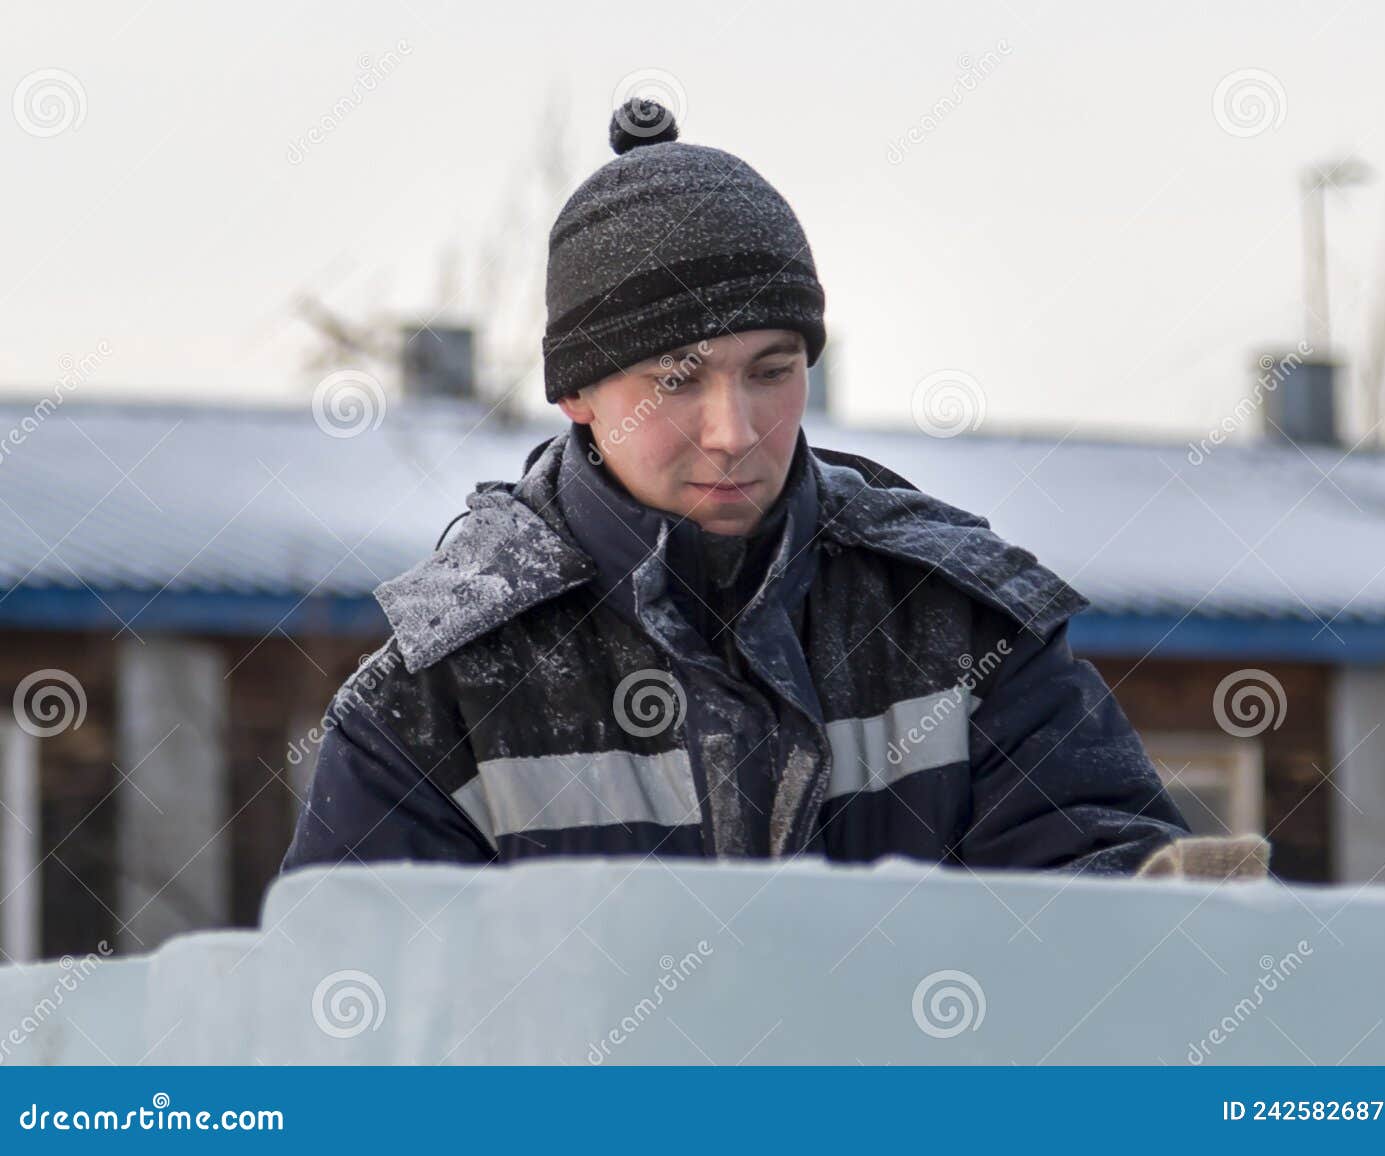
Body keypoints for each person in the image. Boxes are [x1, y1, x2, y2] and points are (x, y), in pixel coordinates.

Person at [281, 99, 1189, 877]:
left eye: (771, 369)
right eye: (676, 380)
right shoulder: (441, 692)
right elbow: (358, 1012)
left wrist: (1170, 910)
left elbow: (1094, 903)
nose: (735, 431)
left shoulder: (955, 625)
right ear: (577, 395)